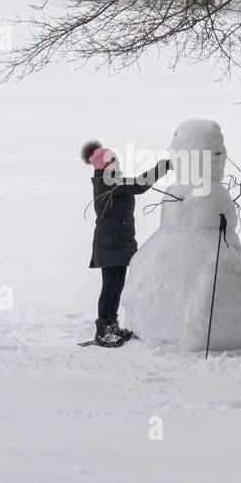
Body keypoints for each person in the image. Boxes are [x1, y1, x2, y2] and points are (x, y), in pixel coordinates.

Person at [82, 140, 170, 347]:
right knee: (110, 286)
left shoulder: (115, 180)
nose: (117, 164)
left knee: (117, 285)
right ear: (103, 165)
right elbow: (140, 185)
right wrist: (164, 166)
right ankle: (103, 331)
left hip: (121, 241)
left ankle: (112, 326)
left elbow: (136, 184)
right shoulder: (107, 181)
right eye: (113, 161)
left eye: (117, 161)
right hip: (109, 242)